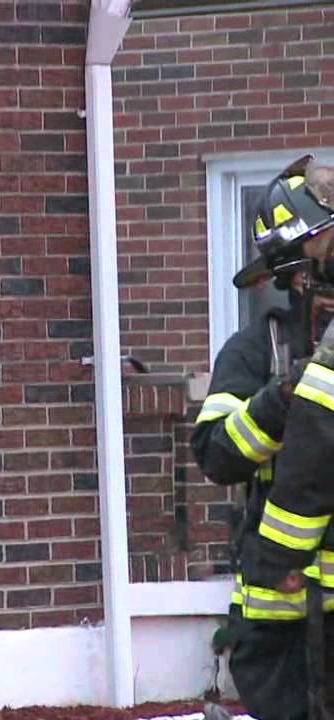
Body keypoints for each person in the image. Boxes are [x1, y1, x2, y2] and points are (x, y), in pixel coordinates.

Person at [192, 155, 334, 719]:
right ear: (293, 274)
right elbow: (216, 454)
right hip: (282, 616)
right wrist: (281, 400)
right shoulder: (259, 350)